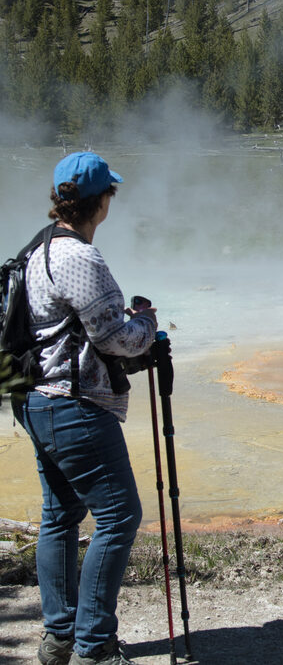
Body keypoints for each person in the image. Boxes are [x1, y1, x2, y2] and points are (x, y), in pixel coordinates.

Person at [12, 152, 157, 665]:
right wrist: (147, 323)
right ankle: (94, 646)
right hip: (72, 406)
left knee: (61, 515)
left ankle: (60, 639)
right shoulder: (79, 257)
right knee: (120, 516)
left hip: (35, 401)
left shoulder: (36, 249)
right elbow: (115, 337)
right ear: (102, 202)